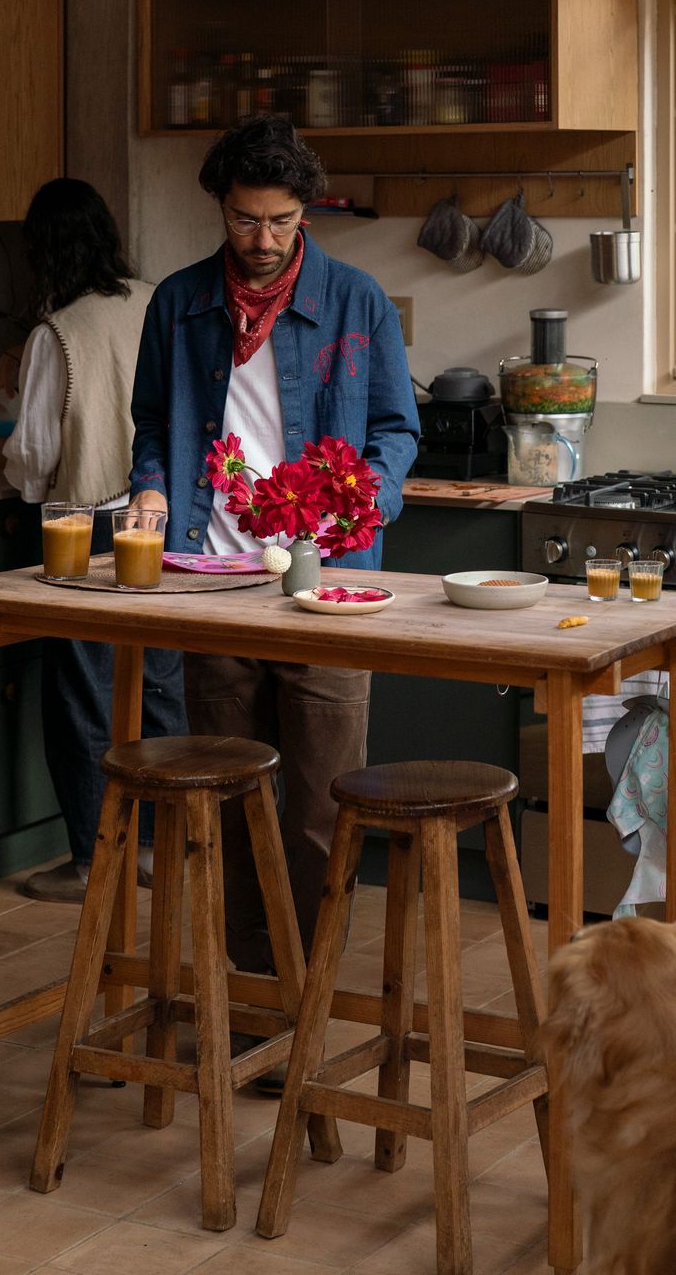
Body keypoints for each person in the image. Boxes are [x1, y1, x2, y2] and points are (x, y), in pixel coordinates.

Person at [129, 112, 419, 981]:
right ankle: (254, 993)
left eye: (282, 221)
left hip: (327, 586)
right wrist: (150, 482)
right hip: (215, 578)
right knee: (231, 804)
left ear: (308, 211)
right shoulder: (179, 304)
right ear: (221, 208)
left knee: (323, 809)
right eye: (244, 219)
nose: (262, 241)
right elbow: (152, 424)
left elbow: (397, 431)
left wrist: (367, 494)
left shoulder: (357, 301)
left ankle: (312, 989)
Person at [4, 178, 187, 902]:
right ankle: (161, 846)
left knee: (83, 696)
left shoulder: (58, 333)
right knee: (161, 687)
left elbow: (35, 453)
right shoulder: (154, 301)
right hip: (158, 513)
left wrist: (17, 483)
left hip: (81, 525)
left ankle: (92, 861)